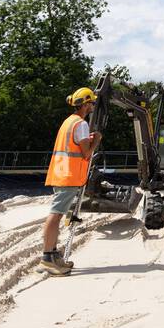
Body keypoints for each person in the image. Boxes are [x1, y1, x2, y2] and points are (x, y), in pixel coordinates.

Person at [39, 86, 102, 275]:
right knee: (56, 214)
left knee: (57, 214)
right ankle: (47, 257)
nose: (92, 106)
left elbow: (73, 146)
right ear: (86, 104)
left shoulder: (69, 122)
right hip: (69, 176)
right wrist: (96, 140)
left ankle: (53, 255)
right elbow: (86, 153)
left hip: (61, 173)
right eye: (91, 102)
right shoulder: (81, 124)